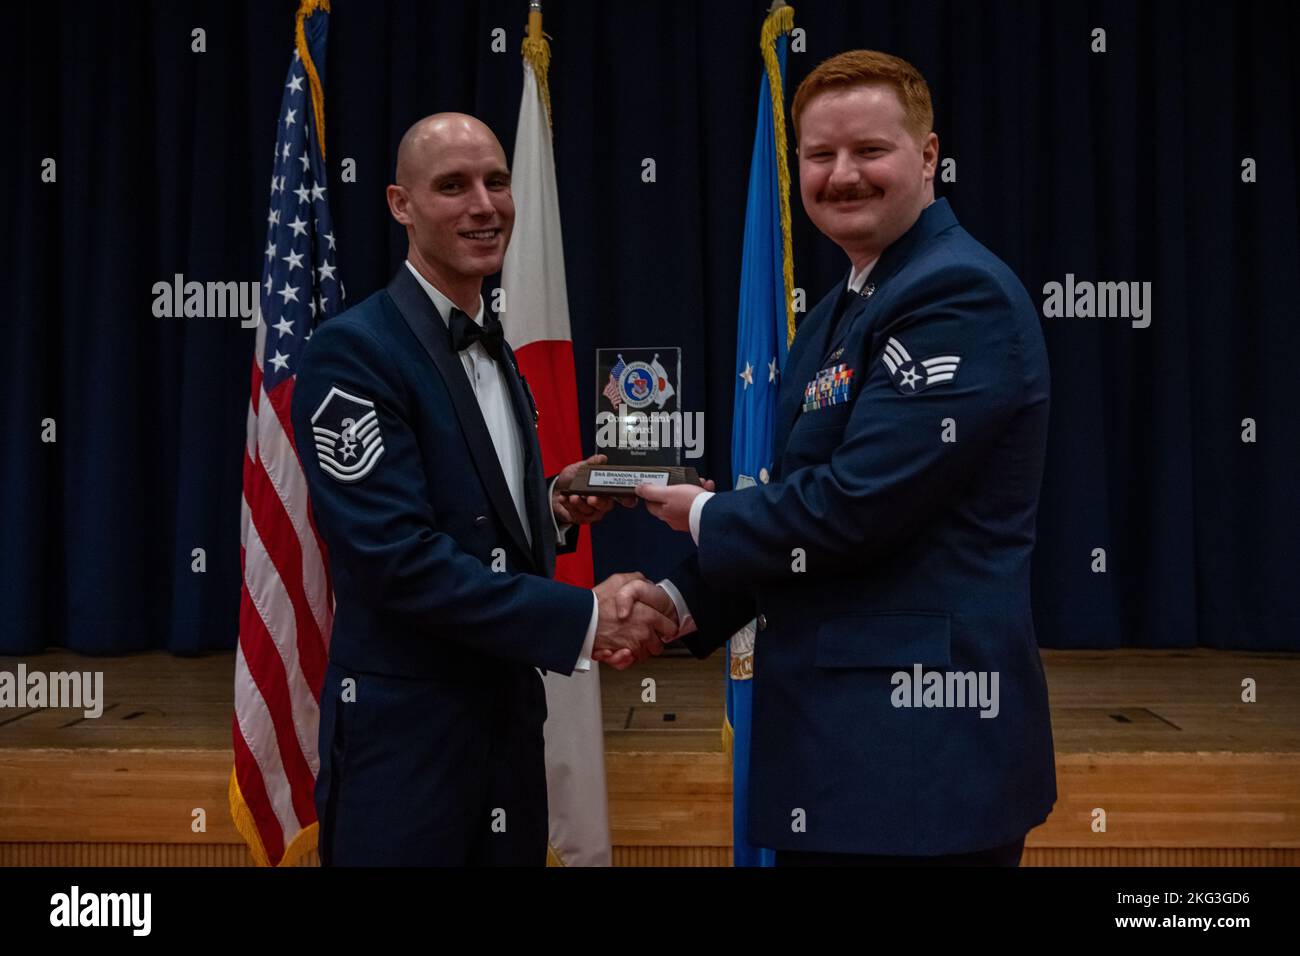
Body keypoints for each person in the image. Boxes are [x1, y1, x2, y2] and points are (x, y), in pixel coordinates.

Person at [633, 50, 1057, 865]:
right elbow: (805, 522)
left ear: (928, 156)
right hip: (846, 755)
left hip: (917, 758)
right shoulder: (843, 306)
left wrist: (706, 513)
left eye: (869, 150)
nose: (841, 175)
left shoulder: (955, 296)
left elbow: (856, 508)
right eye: (819, 156)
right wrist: (676, 603)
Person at [291, 113, 675, 866]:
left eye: (496, 182)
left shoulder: (490, 341)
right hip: (407, 746)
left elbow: (471, 518)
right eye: (453, 186)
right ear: (401, 205)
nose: (484, 204)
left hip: (506, 726)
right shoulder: (354, 352)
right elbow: (395, 558)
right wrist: (584, 616)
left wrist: (554, 507)